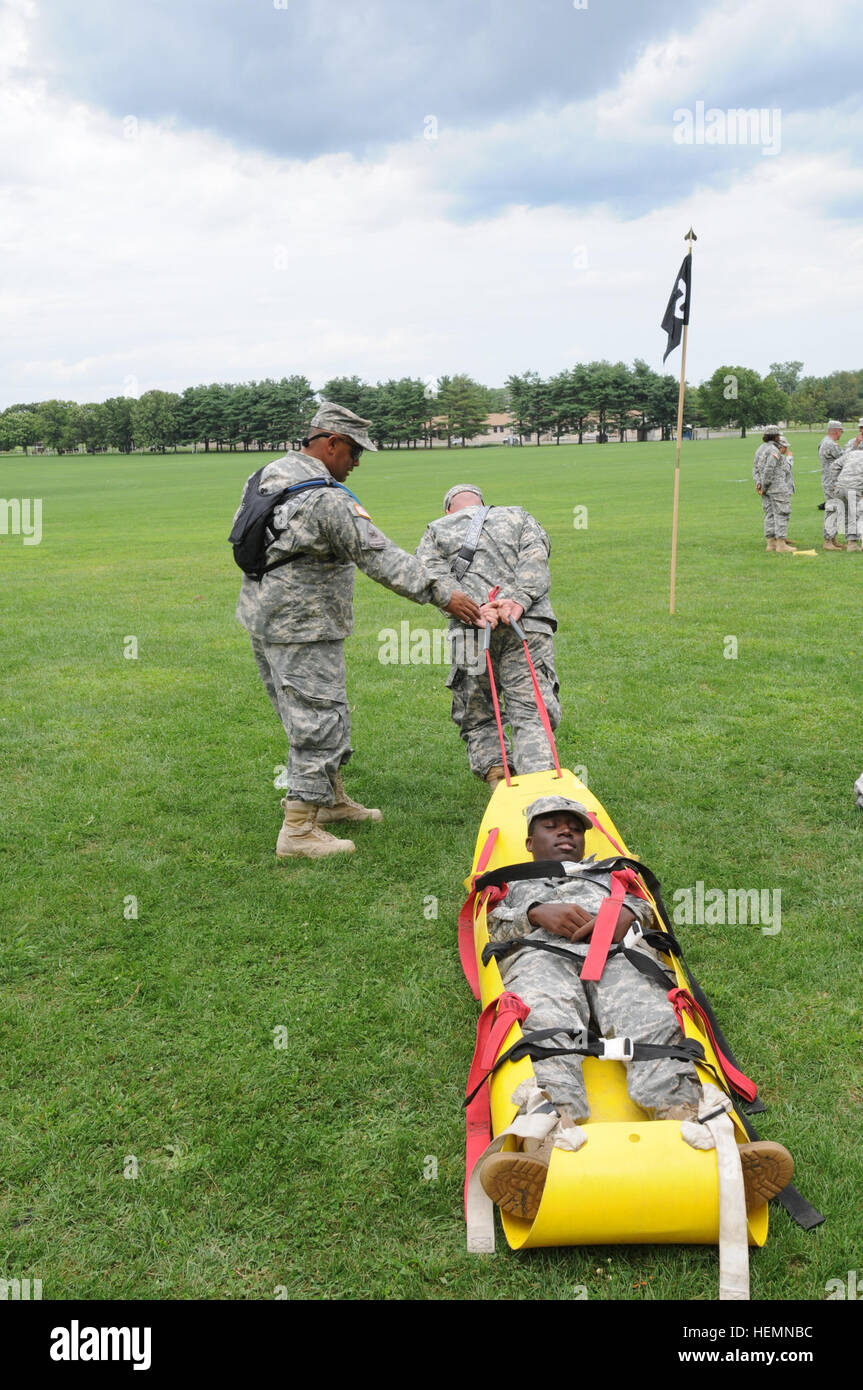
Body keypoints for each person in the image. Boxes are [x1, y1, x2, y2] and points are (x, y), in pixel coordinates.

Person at [478, 796, 794, 1220]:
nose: (565, 832)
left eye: (573, 826)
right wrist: (537, 912)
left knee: (649, 1017)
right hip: (540, 954)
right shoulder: (510, 881)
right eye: (551, 826)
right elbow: (490, 921)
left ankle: (695, 1129)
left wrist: (626, 914)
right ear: (530, 842)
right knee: (545, 1021)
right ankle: (545, 1146)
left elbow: (647, 907)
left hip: (615, 951)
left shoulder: (610, 874)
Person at [234, 402, 481, 859]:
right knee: (319, 719)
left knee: (312, 714)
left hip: (265, 618)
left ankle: (329, 803)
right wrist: (447, 595)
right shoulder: (328, 499)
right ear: (331, 443)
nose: (357, 462)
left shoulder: (269, 475)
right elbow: (382, 559)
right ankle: (299, 829)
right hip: (304, 626)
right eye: (353, 452)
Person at [414, 485, 559, 786]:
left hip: (471, 631)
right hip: (527, 626)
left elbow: (430, 578)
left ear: (448, 510)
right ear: (482, 504)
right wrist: (516, 601)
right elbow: (536, 559)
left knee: (478, 710)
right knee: (531, 711)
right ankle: (541, 793)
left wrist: (477, 607)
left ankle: (499, 782)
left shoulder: (436, 530)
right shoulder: (518, 516)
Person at [753, 428, 794, 553]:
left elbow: (756, 468)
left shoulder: (762, 449)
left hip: (767, 488)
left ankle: (771, 544)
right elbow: (768, 469)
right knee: (782, 514)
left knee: (769, 514)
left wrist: (759, 484)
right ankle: (781, 544)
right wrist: (764, 486)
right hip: (777, 487)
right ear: (775, 436)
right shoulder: (773, 450)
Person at [832, 445, 863, 553]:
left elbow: (834, 466)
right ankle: (853, 544)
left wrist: (835, 482)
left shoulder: (849, 454)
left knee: (846, 515)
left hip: (840, 488)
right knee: (855, 516)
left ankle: (850, 542)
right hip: (854, 489)